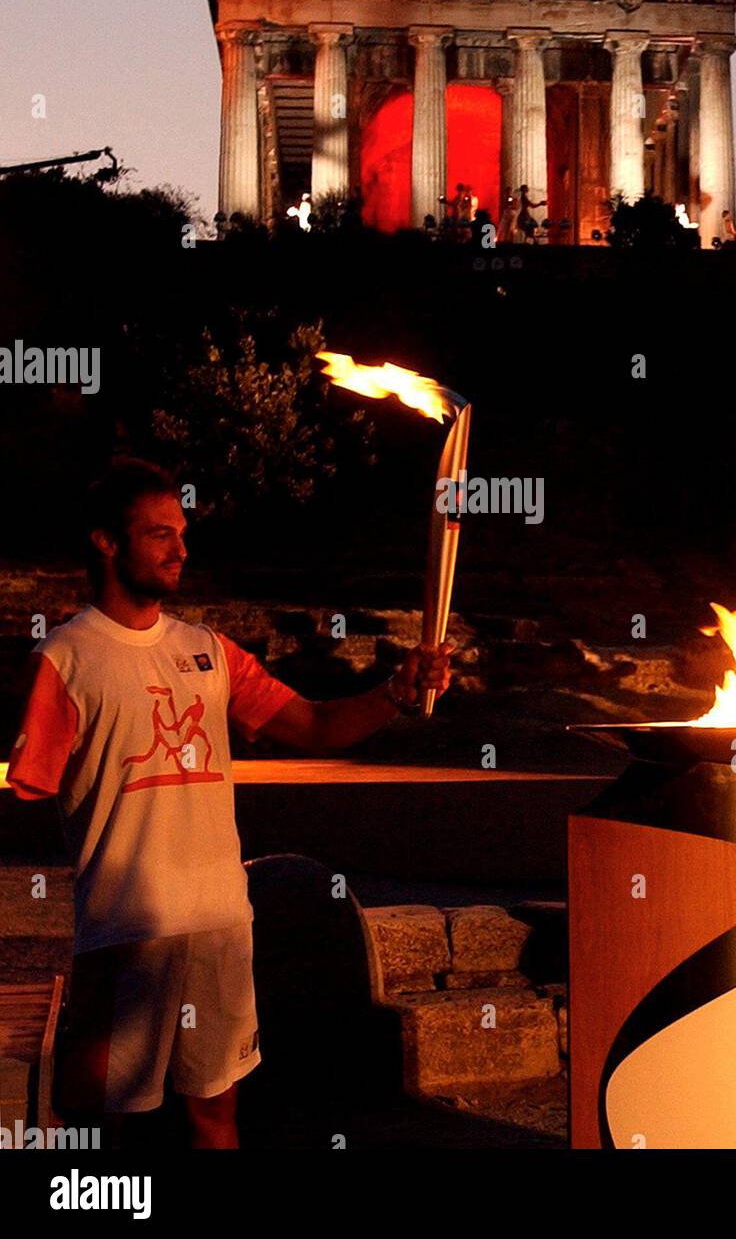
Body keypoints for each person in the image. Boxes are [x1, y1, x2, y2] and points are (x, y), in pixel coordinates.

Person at [4, 459, 453, 1148]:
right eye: (159, 534)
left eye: (181, 533)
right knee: (106, 1121)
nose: (180, 549)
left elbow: (316, 726)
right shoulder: (65, 659)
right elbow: (28, 780)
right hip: (128, 932)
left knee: (215, 1114)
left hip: (221, 922)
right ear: (105, 540)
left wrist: (393, 690)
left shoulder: (208, 652)